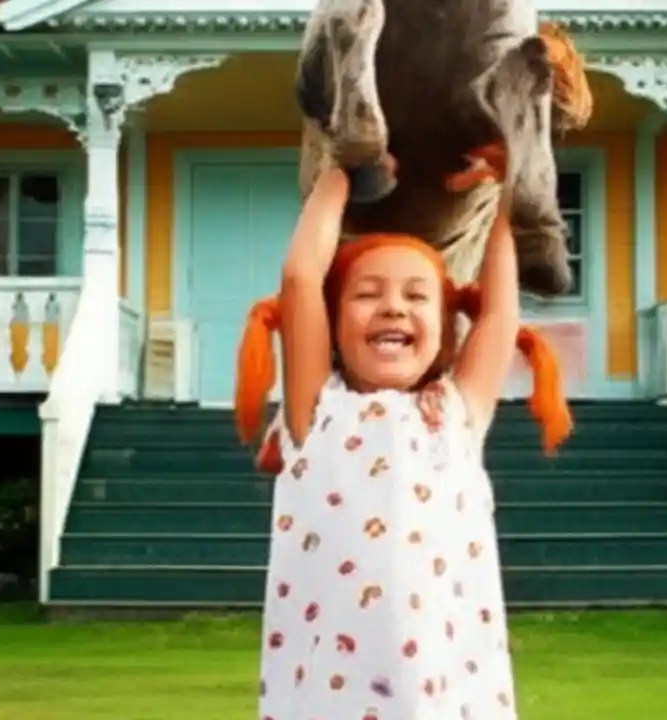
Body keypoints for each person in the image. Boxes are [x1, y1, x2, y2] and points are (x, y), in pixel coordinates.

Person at [234, 144, 572, 720]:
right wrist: (344, 168)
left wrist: (506, 192)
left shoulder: (455, 415)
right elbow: (301, 277)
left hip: (441, 697)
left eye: (416, 296)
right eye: (367, 294)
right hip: (332, 700)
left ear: (444, 329)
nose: (393, 308)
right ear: (333, 325)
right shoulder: (317, 413)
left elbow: (498, 313)